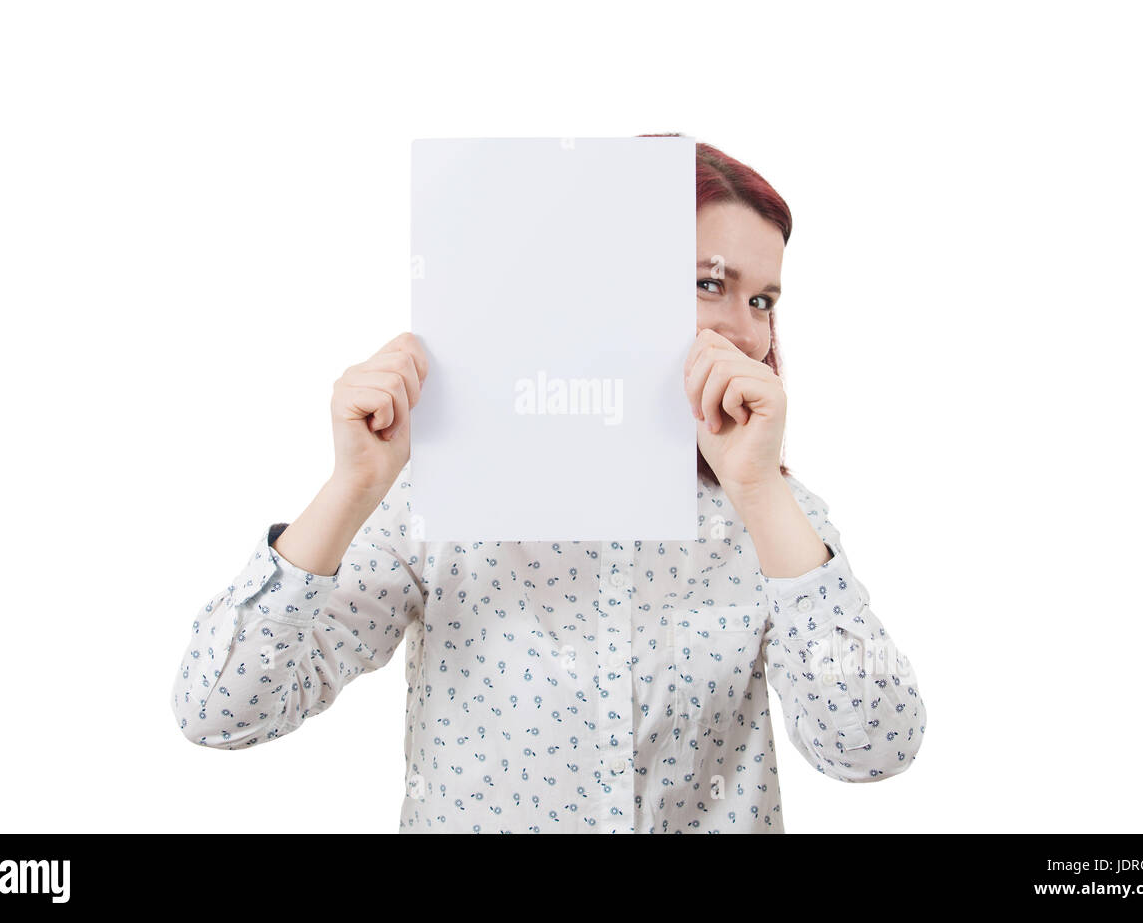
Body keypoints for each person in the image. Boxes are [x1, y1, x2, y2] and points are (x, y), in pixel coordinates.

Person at [169, 137, 927, 833]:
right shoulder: (442, 500)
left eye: (763, 300)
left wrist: (761, 496)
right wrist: (350, 489)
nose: (745, 331)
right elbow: (219, 711)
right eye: (707, 284)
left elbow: (869, 748)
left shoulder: (776, 522)